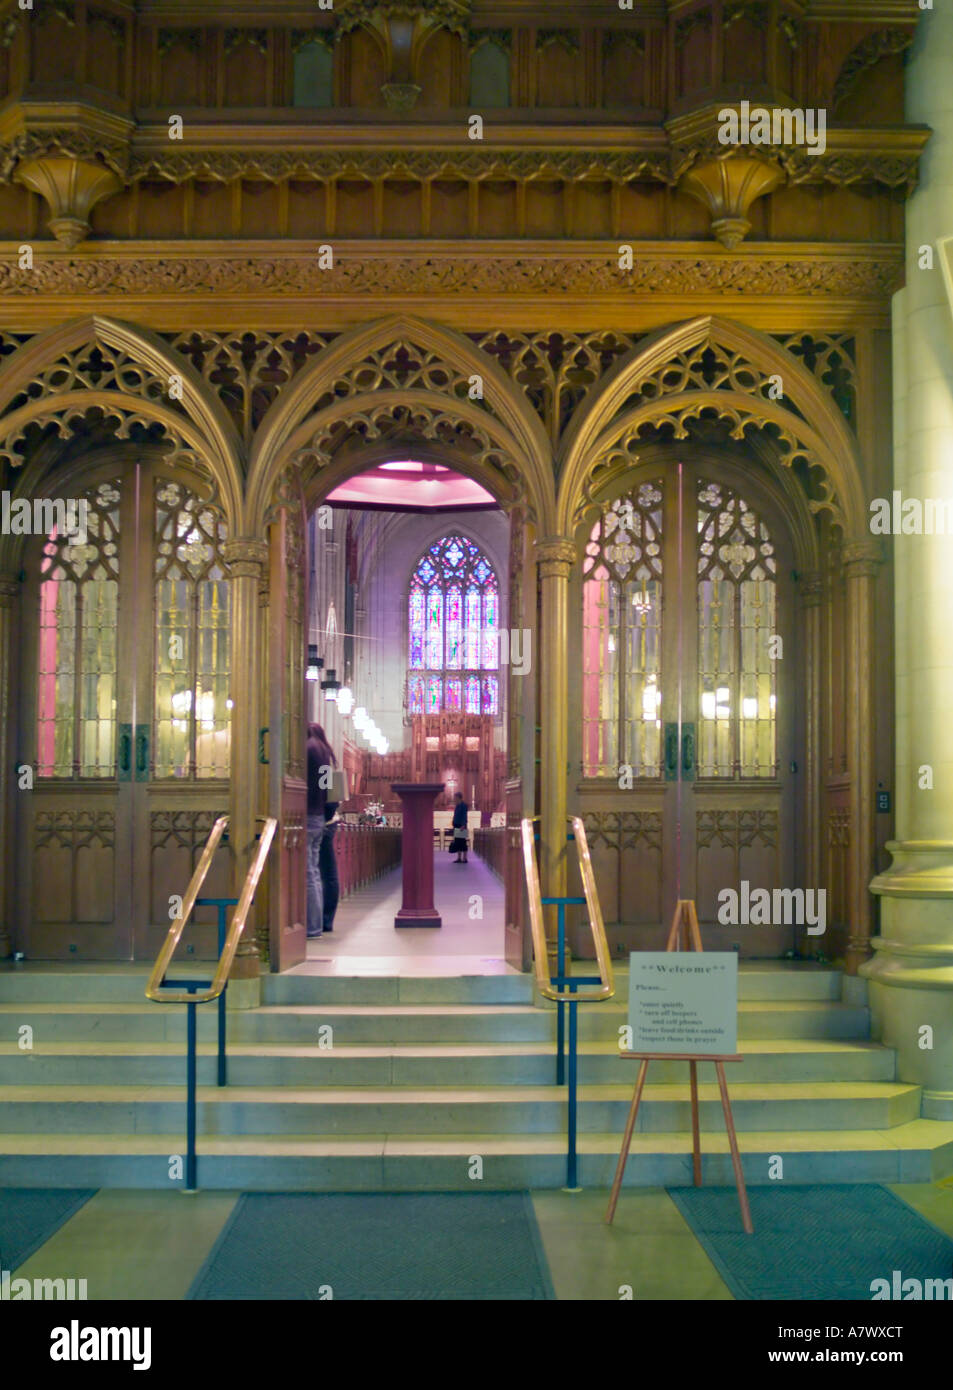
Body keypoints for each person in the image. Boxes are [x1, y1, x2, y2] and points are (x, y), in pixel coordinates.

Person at [306, 722, 337, 938]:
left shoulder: (307, 749)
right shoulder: (325, 753)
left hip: (309, 815)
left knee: (310, 872)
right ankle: (323, 921)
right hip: (322, 817)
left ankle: (313, 926)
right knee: (321, 873)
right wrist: (326, 813)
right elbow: (328, 789)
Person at [450, 791, 469, 863]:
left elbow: (464, 816)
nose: (454, 799)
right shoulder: (457, 806)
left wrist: (463, 825)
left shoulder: (463, 805)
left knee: (463, 842)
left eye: (455, 798)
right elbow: (456, 815)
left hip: (461, 826)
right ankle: (459, 858)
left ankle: (465, 858)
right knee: (457, 842)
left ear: (458, 797)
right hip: (456, 825)